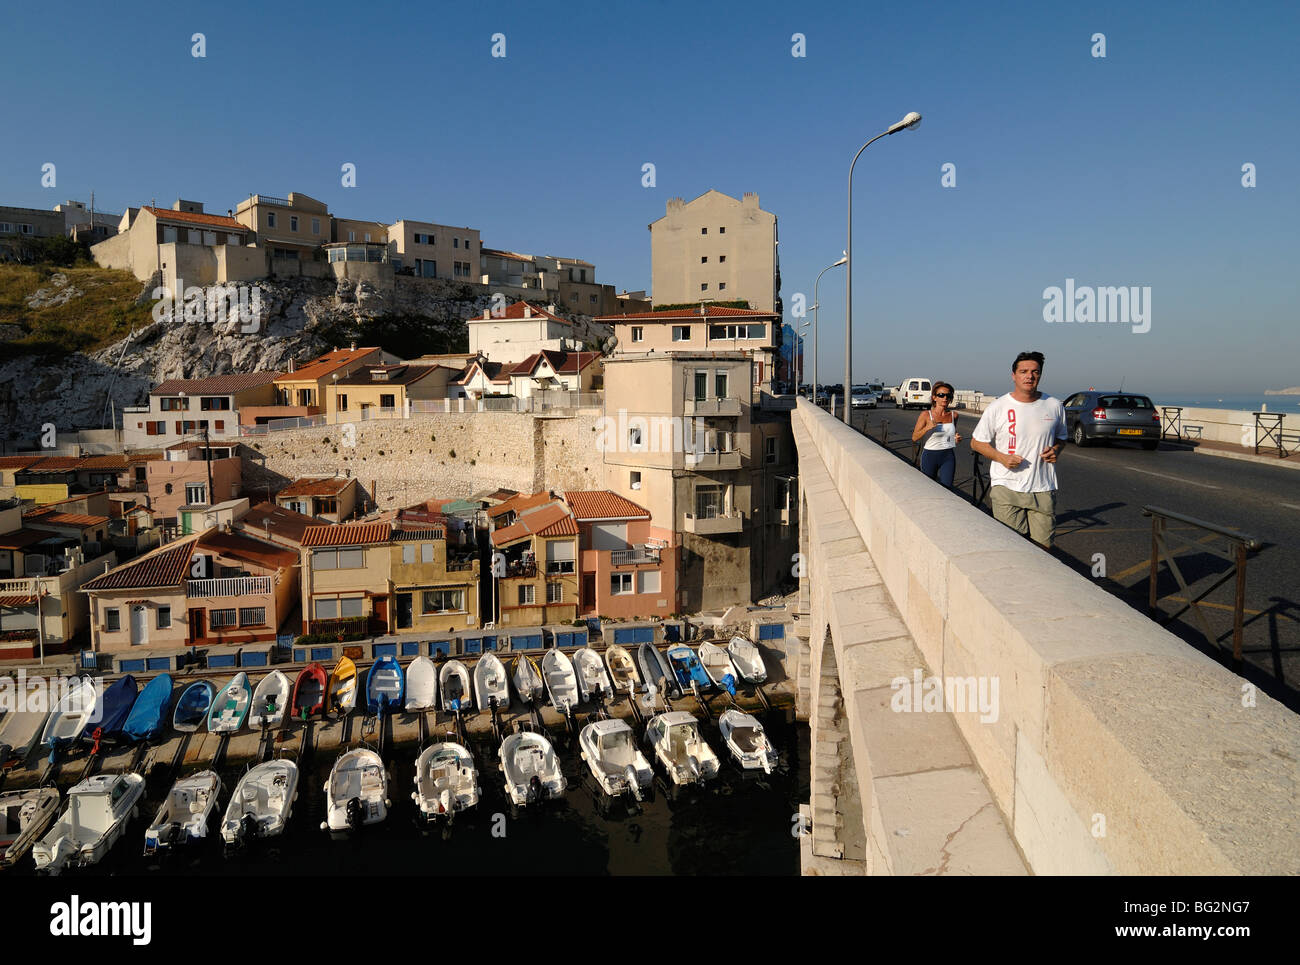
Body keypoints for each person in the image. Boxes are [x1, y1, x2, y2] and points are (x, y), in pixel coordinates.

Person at [970, 351, 1068, 548]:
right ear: (1014, 375)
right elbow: (976, 442)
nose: (1029, 376)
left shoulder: (1054, 405)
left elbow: (1062, 438)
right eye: (1023, 371)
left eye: (1035, 372)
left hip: (1043, 487)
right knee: (1012, 548)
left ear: (1040, 375)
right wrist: (1001, 457)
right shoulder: (998, 407)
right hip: (1006, 486)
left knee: (1043, 550)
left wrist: (1056, 449)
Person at [911, 380, 961, 487]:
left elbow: (950, 438)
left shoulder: (954, 415)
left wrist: (955, 439)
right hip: (930, 456)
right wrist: (927, 428)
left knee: (947, 489)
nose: (945, 398)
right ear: (934, 397)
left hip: (948, 456)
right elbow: (914, 437)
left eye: (948, 395)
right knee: (928, 488)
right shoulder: (925, 415)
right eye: (941, 395)